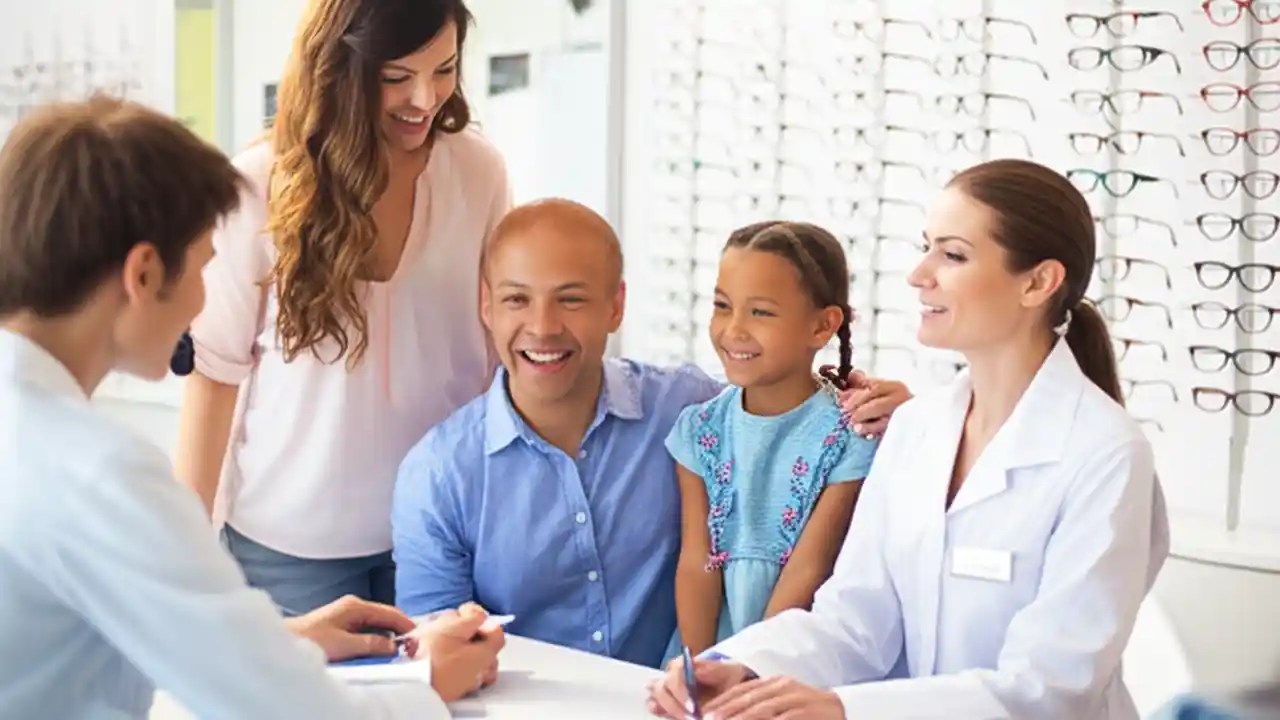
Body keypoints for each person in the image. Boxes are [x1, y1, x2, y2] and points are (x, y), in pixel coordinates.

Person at [0, 97, 504, 719]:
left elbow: (112, 635)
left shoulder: (32, 435)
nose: (203, 302)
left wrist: (281, 642)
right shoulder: (99, 473)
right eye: (203, 269)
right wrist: (427, 684)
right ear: (144, 273)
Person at [647, 159, 1170, 719]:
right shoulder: (918, 427)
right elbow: (854, 620)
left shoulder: (1106, 454)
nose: (919, 275)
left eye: (953, 255)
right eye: (926, 248)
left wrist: (844, 710)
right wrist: (740, 665)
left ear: (1038, 282)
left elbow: (1049, 689)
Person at [392, 199, 911, 669]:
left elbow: (782, 405)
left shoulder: (687, 406)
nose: (543, 327)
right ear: (486, 305)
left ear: (616, 306)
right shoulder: (437, 475)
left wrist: (904, 415)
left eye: (570, 300)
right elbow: (435, 658)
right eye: (516, 300)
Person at [175, 0, 511, 615]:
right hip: (292, 546)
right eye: (396, 77)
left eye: (443, 70)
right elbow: (214, 376)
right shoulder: (257, 185)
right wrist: (183, 567)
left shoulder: (477, 171)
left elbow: (499, 354)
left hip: (439, 530)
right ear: (339, 70)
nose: (425, 99)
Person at [667, 221, 879, 660]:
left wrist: (747, 669)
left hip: (793, 655)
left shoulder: (851, 435)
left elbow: (809, 568)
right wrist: (697, 667)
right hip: (707, 657)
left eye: (760, 312)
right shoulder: (699, 430)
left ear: (822, 326)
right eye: (722, 306)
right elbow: (696, 563)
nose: (734, 329)